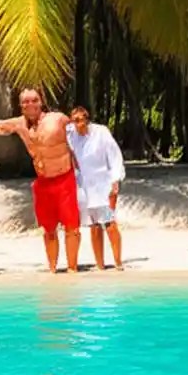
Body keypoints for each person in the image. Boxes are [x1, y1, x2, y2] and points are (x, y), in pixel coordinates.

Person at [0, 88, 81, 273]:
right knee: (48, 229)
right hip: (43, 181)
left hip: (64, 179)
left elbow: (81, 136)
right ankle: (53, 269)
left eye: (34, 100)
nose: (29, 104)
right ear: (20, 105)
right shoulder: (19, 125)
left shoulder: (58, 119)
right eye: (25, 101)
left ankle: (72, 269)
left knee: (71, 227)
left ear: (41, 102)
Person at [66, 106, 125, 270]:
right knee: (93, 226)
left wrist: (115, 180)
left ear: (87, 119)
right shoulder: (71, 134)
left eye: (80, 120)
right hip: (85, 187)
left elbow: (114, 155)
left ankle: (118, 262)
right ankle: (100, 265)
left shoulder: (101, 132)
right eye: (74, 120)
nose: (78, 124)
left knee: (109, 222)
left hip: (104, 185)